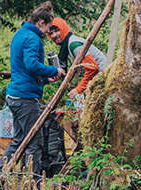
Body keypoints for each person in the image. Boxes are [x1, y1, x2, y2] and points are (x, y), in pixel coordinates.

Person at [0, 2, 61, 179]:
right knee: (34, 141)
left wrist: (44, 79)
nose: (48, 32)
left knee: (19, 140)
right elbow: (32, 64)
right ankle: (33, 182)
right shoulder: (32, 38)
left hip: (16, 94)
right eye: (48, 27)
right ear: (41, 22)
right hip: (25, 97)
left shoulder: (21, 34)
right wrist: (54, 70)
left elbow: (24, 68)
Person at [46, 15, 108, 150]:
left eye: (56, 30)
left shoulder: (73, 44)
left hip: (105, 80)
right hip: (99, 82)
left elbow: (92, 68)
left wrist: (78, 89)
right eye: (50, 33)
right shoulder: (68, 45)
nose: (54, 35)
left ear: (63, 28)